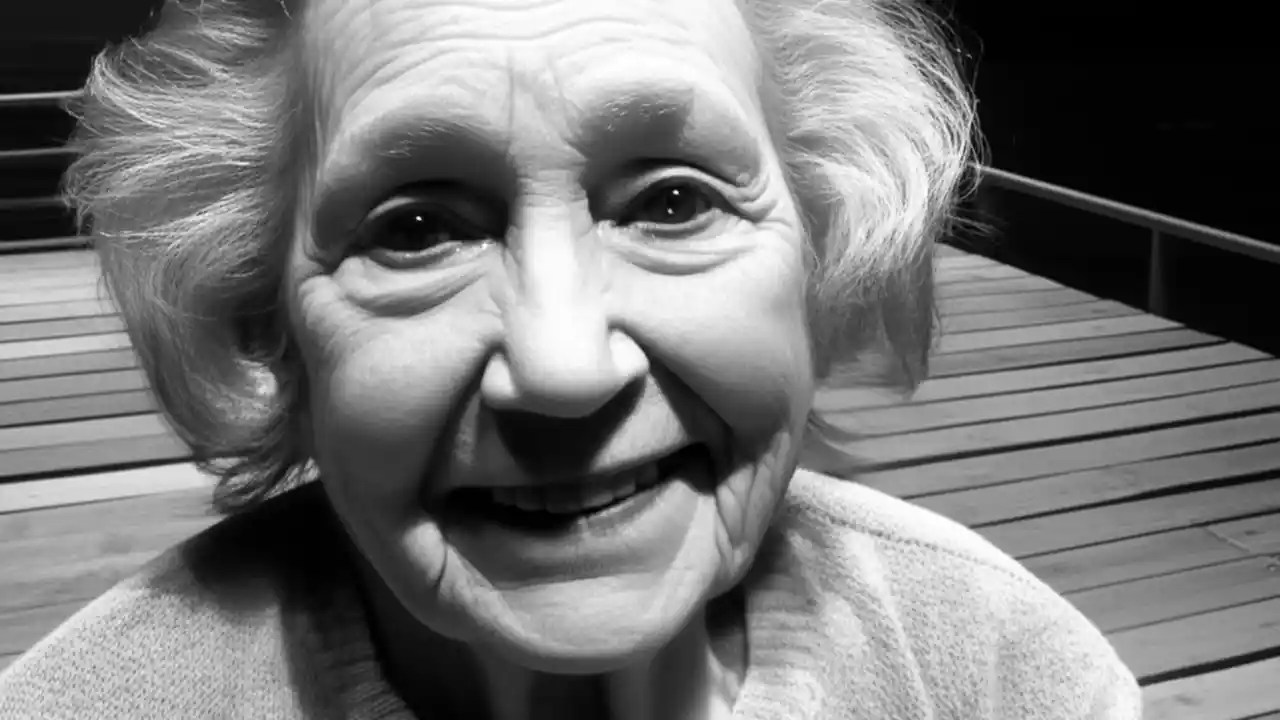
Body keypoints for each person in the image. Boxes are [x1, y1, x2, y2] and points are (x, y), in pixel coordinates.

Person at [0, 0, 1142, 717]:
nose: (562, 366)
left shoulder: (1004, 669)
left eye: (676, 200)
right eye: (413, 230)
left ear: (819, 266)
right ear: (270, 330)